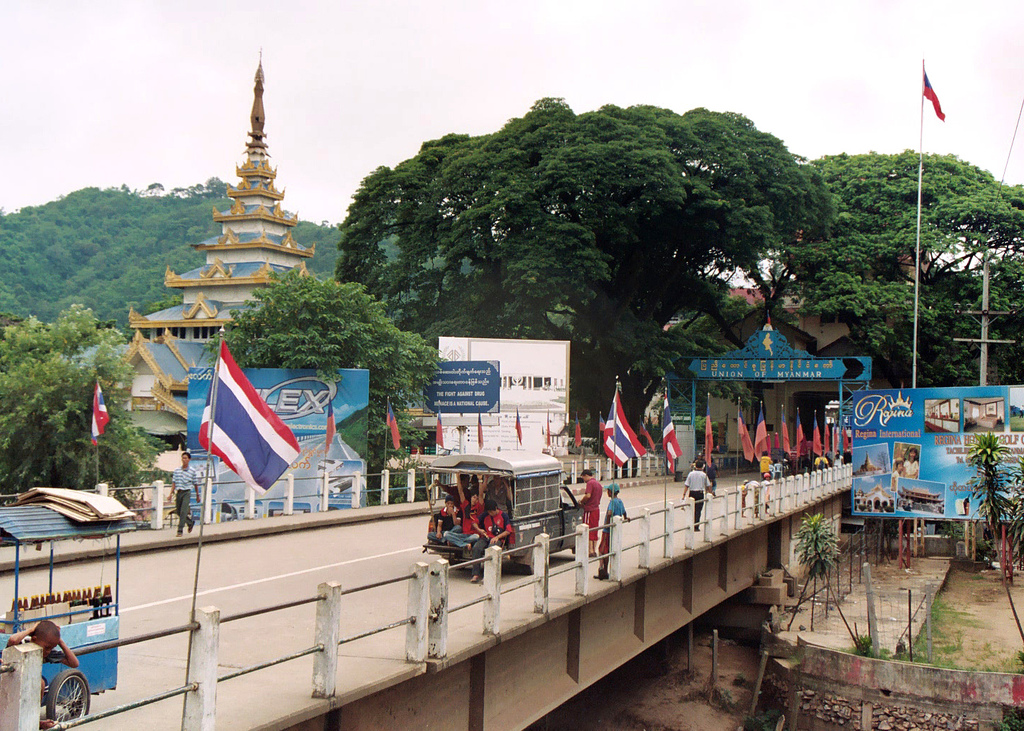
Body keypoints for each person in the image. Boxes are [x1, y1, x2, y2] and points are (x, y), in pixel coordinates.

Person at [6, 620, 79, 729]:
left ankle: (34, 719)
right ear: (34, 639)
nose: (48, 651)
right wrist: (31, 630)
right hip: (8, 681)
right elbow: (12, 640)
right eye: (47, 647)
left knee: (41, 683)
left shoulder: (46, 652)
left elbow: (74, 663)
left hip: (27, 688)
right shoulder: (22, 643)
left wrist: (60, 642)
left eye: (51, 648)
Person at [469, 498, 514, 583]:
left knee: (490, 550)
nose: (490, 513)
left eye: (491, 512)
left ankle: (488, 575)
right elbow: (474, 523)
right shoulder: (485, 515)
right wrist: (479, 530)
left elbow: (508, 530)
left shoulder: (503, 515)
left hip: (498, 539)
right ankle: (475, 574)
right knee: (476, 548)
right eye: (488, 512)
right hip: (486, 537)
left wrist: (497, 537)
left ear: (496, 509)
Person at [596, 483, 628, 580]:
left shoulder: (612, 502)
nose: (607, 492)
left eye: (608, 491)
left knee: (602, 550)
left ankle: (603, 570)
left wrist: (606, 524)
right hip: (615, 530)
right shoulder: (620, 501)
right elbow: (624, 512)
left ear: (611, 492)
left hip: (608, 530)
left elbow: (609, 513)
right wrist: (626, 518)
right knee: (609, 550)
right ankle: (604, 570)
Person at [443, 476, 483, 549]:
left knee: (476, 537)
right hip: (463, 535)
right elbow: (460, 492)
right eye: (474, 497)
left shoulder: (479, 508)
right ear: (470, 497)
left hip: (473, 535)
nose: (475, 500)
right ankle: (464, 544)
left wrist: (480, 480)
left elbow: (481, 495)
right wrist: (457, 476)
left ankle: (456, 542)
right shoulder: (466, 506)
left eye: (477, 499)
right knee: (446, 534)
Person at [172, 451, 201, 536]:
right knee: (178, 511)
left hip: (187, 492)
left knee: (183, 511)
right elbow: (174, 482)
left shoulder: (192, 471)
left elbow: (195, 483)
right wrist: (171, 493)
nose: (184, 460)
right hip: (179, 492)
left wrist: (197, 495)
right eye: (183, 458)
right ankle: (189, 522)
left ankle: (180, 530)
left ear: (189, 459)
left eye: (186, 458)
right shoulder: (177, 470)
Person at [576, 469, 602, 557]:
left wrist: (581, 502)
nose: (583, 480)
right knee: (595, 529)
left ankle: (590, 550)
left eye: (583, 477)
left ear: (586, 475)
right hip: (596, 509)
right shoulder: (598, 484)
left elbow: (588, 495)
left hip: (589, 510)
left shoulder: (590, 483)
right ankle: (594, 550)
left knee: (588, 528)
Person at [683, 459, 712, 525]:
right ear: (702, 467)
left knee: (691, 509)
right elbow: (708, 485)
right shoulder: (704, 475)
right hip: (700, 493)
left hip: (692, 493)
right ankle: (696, 525)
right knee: (698, 510)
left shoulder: (691, 474)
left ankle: (690, 523)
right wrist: (710, 493)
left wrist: (684, 494)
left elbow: (686, 485)